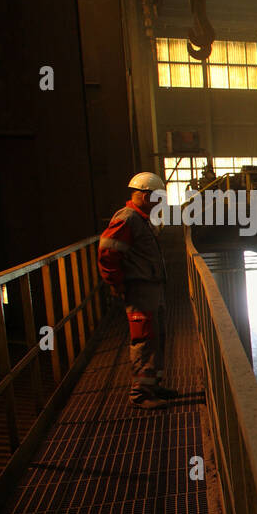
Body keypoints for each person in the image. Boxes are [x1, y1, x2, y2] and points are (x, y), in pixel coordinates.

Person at [98, 172, 178, 409]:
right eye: (157, 197)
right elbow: (107, 252)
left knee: (157, 335)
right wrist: (116, 283)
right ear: (144, 196)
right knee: (144, 337)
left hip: (151, 287)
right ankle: (140, 394)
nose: (161, 202)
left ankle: (153, 385)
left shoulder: (142, 219)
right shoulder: (128, 219)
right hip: (140, 289)